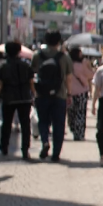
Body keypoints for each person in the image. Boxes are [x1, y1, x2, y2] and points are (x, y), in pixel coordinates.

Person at [32, 32, 73, 161]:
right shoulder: (64, 57)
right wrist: (69, 94)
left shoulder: (37, 55)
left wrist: (34, 92)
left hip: (41, 94)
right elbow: (68, 78)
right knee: (59, 125)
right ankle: (56, 154)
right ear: (59, 41)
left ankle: (45, 141)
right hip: (59, 95)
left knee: (43, 121)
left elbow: (32, 75)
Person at [0, 41, 35, 159]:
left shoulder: (3, 66)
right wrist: (34, 94)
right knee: (25, 124)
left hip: (9, 98)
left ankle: (4, 146)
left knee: (6, 124)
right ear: (19, 51)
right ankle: (25, 149)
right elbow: (31, 82)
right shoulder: (26, 65)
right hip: (24, 98)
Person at [67, 47, 94, 141]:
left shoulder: (68, 65)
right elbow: (91, 75)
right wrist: (89, 66)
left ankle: (73, 128)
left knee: (71, 112)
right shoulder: (82, 65)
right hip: (82, 92)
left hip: (69, 92)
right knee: (80, 112)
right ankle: (79, 133)